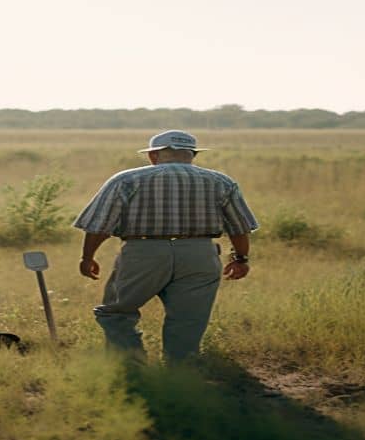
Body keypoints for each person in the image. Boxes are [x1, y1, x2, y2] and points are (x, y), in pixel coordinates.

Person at [73, 130, 258, 362]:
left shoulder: (126, 179)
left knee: (117, 311)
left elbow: (99, 226)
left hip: (143, 253)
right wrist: (241, 259)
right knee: (188, 318)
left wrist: (87, 257)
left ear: (153, 156)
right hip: (199, 254)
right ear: (192, 155)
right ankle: (180, 371)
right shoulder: (222, 182)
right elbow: (240, 228)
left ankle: (130, 365)